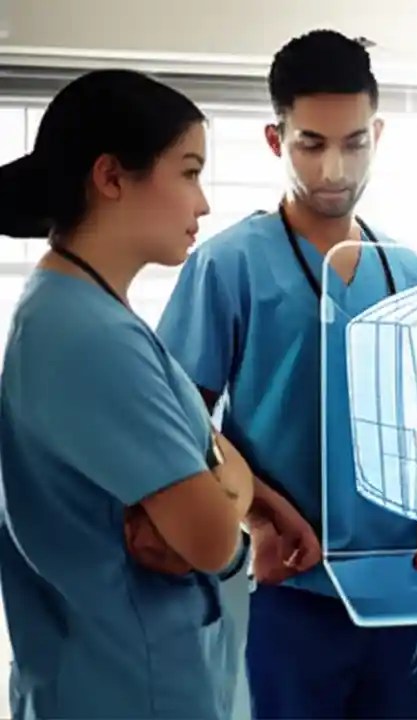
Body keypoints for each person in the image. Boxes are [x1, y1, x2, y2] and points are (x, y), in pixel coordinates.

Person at [157, 30, 417, 719]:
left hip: (391, 589)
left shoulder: (404, 270)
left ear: (377, 133)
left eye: (355, 142)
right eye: (311, 144)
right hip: (285, 592)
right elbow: (175, 420)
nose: (334, 170)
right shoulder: (230, 264)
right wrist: (260, 510)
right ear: (274, 139)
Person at [0, 69, 254, 718]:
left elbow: (215, 469)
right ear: (112, 177)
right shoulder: (83, 335)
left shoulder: (86, 311)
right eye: (189, 172)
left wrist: (218, 483)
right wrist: (223, 494)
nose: (203, 205)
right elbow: (214, 539)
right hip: (128, 689)